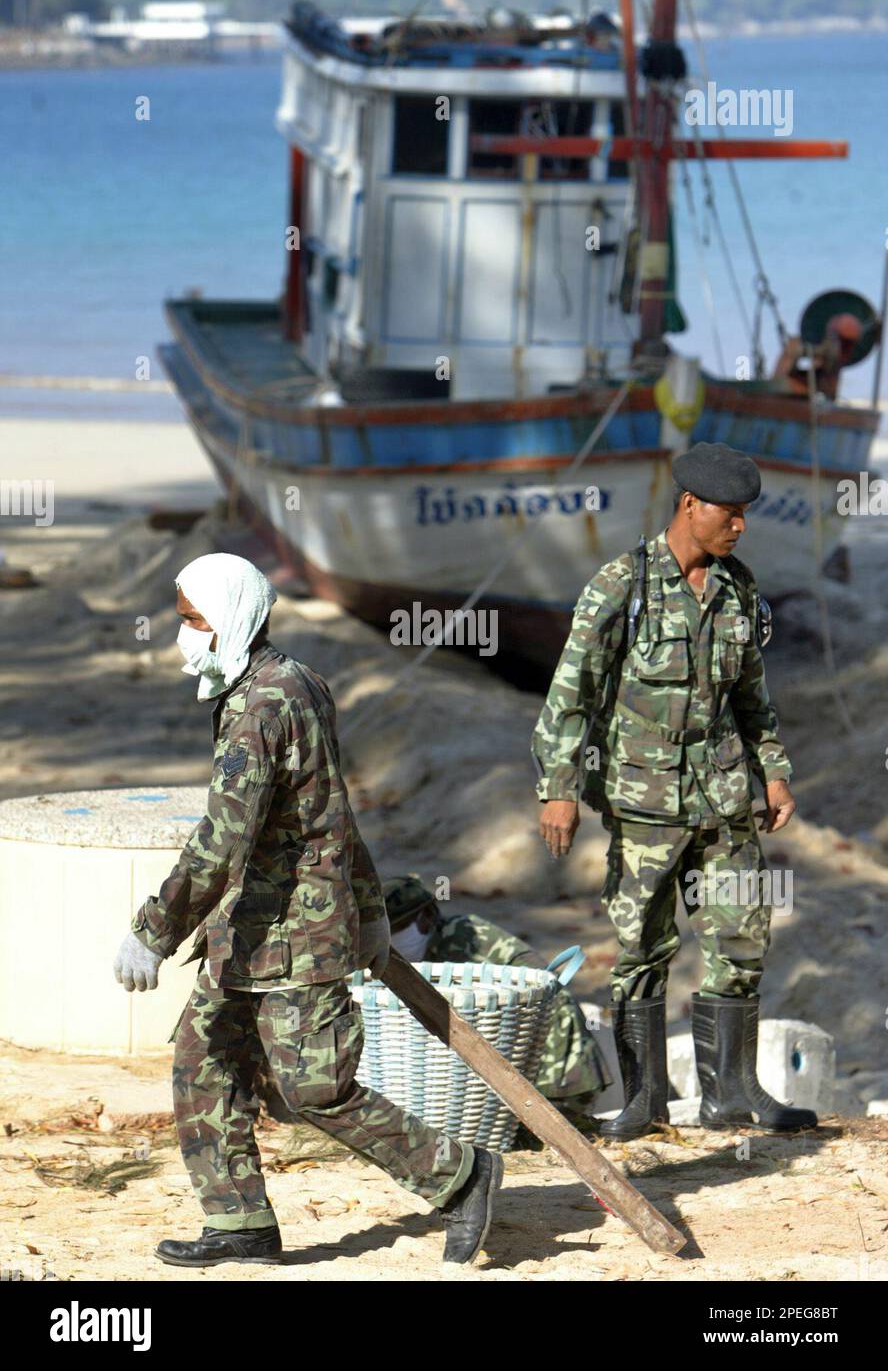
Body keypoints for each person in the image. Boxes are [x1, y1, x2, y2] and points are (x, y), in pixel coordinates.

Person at [112, 552, 501, 1267]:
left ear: (231, 619)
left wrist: (153, 929)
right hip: (249, 929)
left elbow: (221, 841)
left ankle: (460, 1173)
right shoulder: (292, 679)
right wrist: (371, 900)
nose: (181, 637)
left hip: (294, 931)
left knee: (316, 1088)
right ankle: (242, 1224)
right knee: (204, 1062)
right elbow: (332, 807)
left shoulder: (260, 710)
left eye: (192, 621)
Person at [531, 443, 817, 1140]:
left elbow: (751, 693)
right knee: (641, 949)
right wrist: (559, 788)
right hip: (644, 805)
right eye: (730, 513)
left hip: (724, 802)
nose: (740, 527)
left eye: (746, 515)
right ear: (690, 505)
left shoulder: (737, 589)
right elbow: (570, 695)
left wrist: (773, 771)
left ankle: (734, 1095)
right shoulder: (620, 585)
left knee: (741, 939)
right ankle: (645, 1103)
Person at [382, 875, 612, 1121]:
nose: (391, 940)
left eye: (397, 929)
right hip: (533, 1067)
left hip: (555, 1068)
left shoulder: (461, 938)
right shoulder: (432, 952)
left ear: (427, 916)